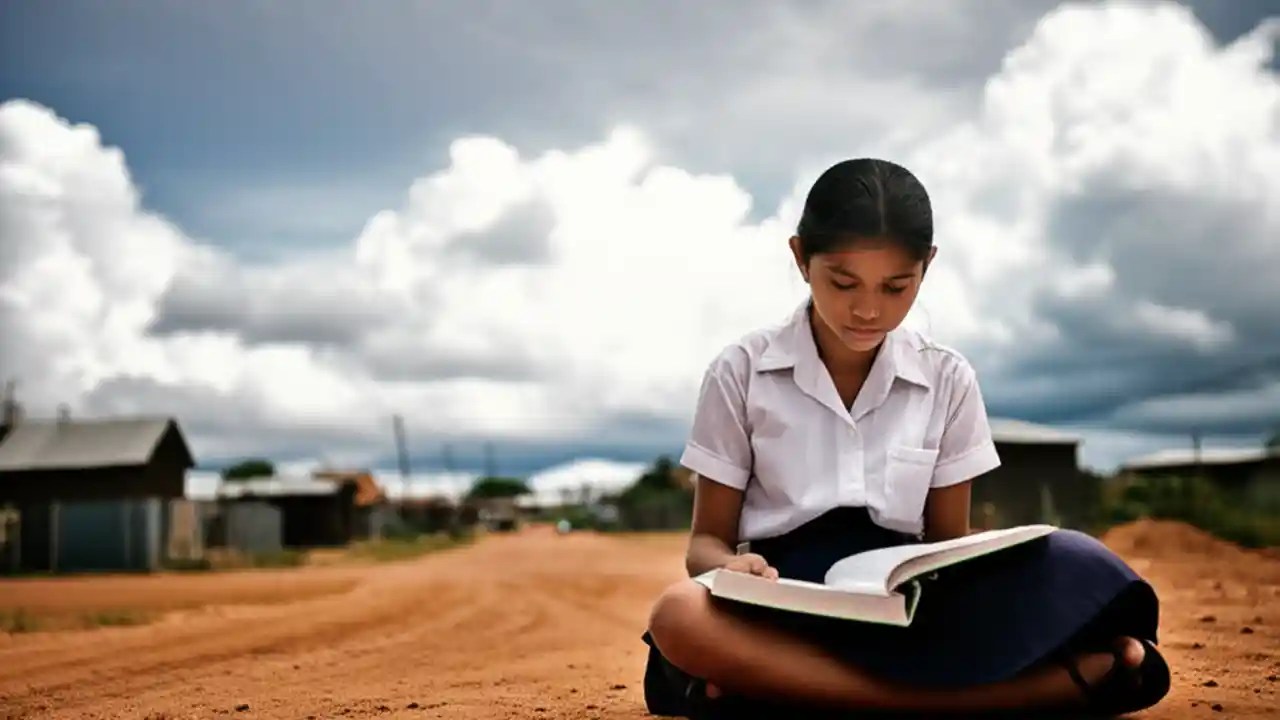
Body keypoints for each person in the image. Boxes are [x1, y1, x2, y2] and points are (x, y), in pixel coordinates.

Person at [640, 158, 1171, 718]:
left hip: (904, 606)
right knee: (678, 616)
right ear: (800, 259)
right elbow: (704, 546)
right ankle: (1010, 695)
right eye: (843, 283)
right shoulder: (740, 371)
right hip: (785, 602)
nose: (869, 308)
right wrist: (732, 569)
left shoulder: (947, 378)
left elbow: (949, 545)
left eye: (897, 286)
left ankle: (785, 693)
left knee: (1073, 557)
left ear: (928, 267)